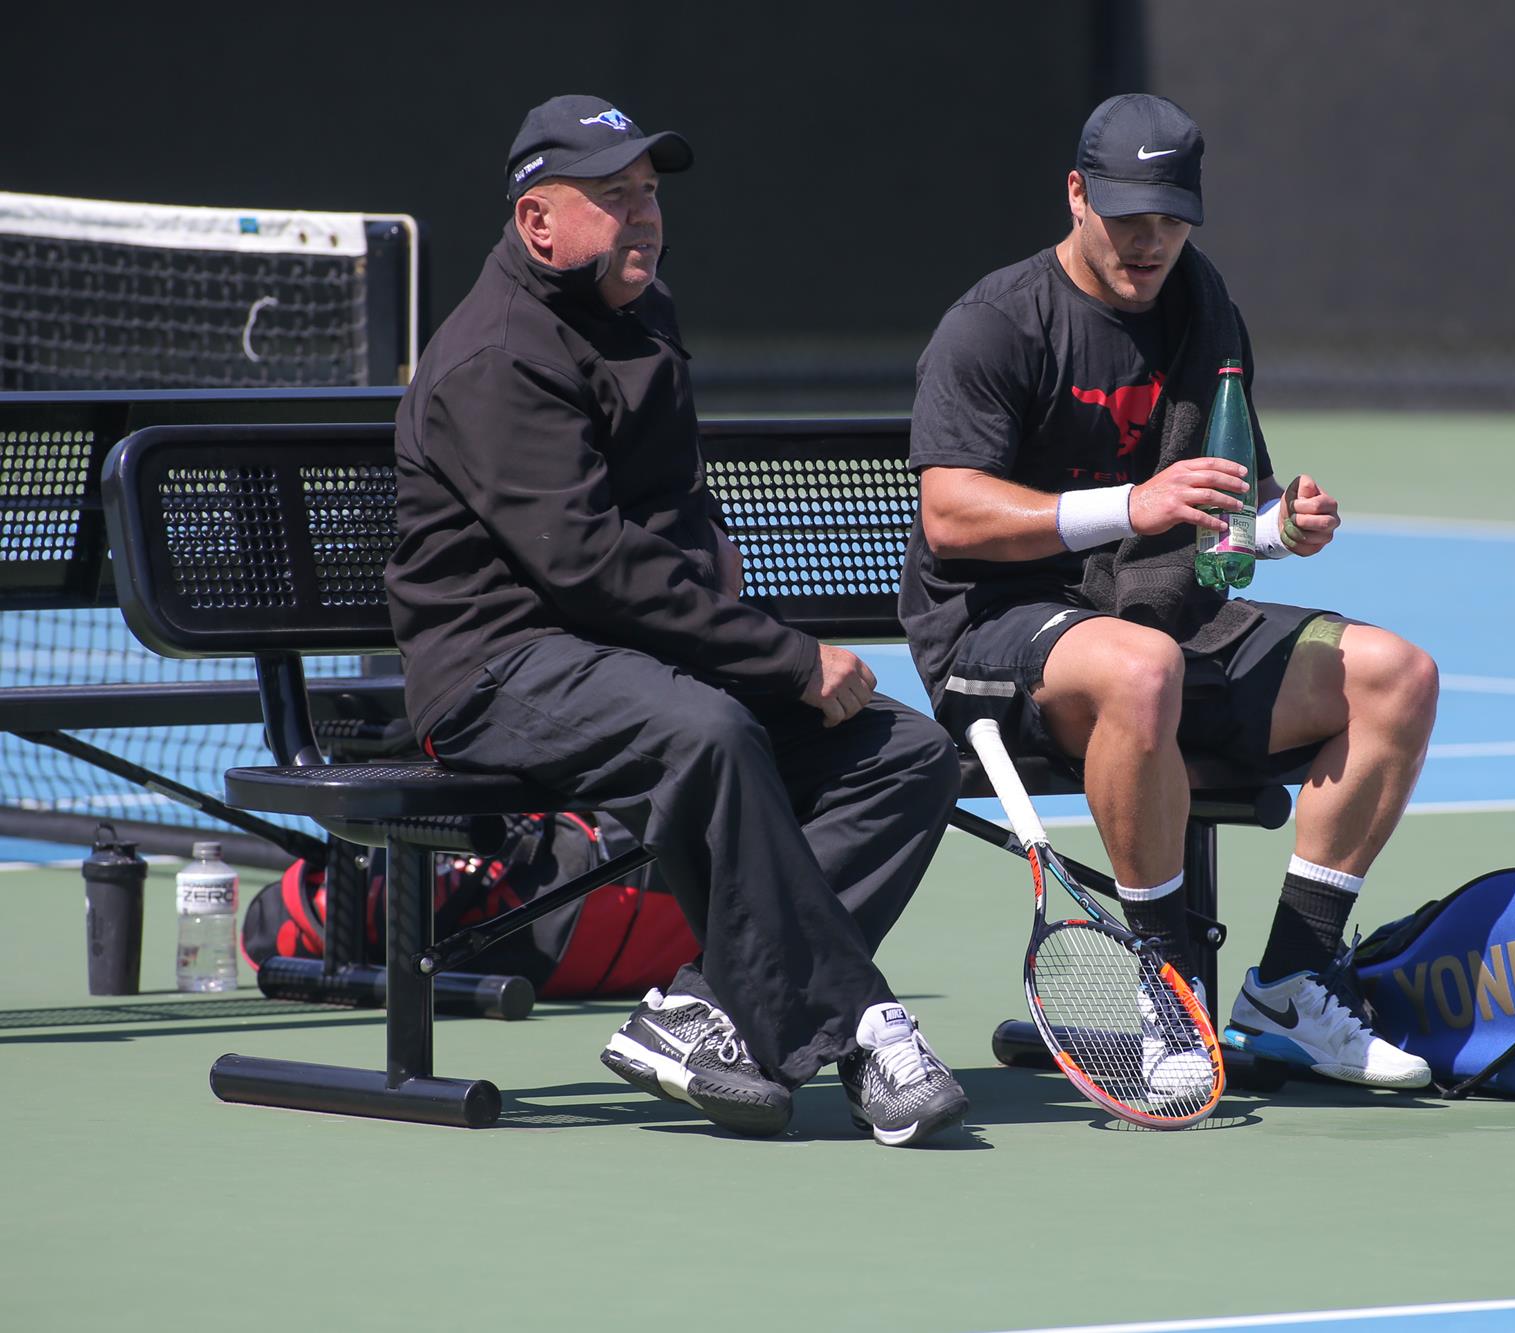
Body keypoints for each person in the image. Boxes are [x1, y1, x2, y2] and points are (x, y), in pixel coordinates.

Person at [387, 94, 968, 1145]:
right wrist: (784, 657)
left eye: (649, 192)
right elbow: (587, 566)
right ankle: (857, 1023)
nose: (644, 215)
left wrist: (714, 574)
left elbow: (665, 504)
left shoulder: (641, 309)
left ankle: (699, 1010)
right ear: (538, 223)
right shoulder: (496, 357)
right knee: (708, 732)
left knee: (905, 755)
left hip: (628, 651)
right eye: (612, 196)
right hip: (495, 667)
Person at [899, 93, 1439, 1090]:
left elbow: (1224, 512)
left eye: (1169, 216)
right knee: (1141, 668)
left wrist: (1280, 528)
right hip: (995, 636)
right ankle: (1167, 989)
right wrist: (1130, 505)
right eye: (1125, 215)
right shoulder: (995, 324)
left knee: (1395, 676)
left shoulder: (1203, 303)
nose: (1149, 240)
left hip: (1166, 616)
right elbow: (949, 515)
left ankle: (1286, 986)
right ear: (1075, 196)